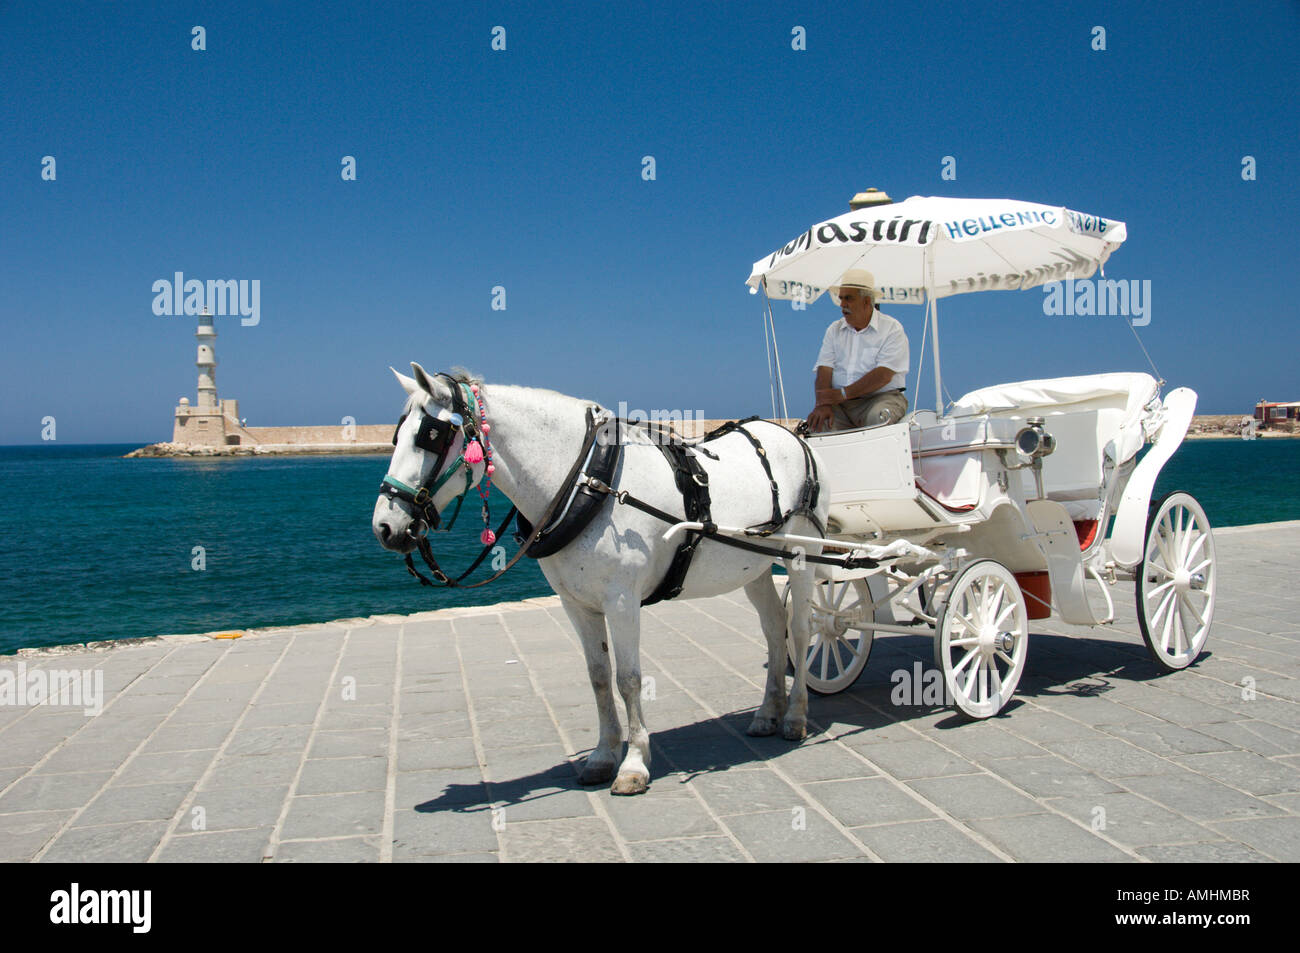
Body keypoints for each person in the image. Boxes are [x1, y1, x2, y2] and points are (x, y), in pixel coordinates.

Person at [805, 268, 909, 432]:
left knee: (879, 420)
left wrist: (843, 394)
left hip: (881, 399)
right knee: (818, 425)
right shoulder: (834, 329)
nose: (842, 304)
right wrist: (823, 404)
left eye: (848, 298)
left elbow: (883, 375)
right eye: (841, 298)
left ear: (867, 302)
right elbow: (824, 369)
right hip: (840, 405)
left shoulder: (892, 329)